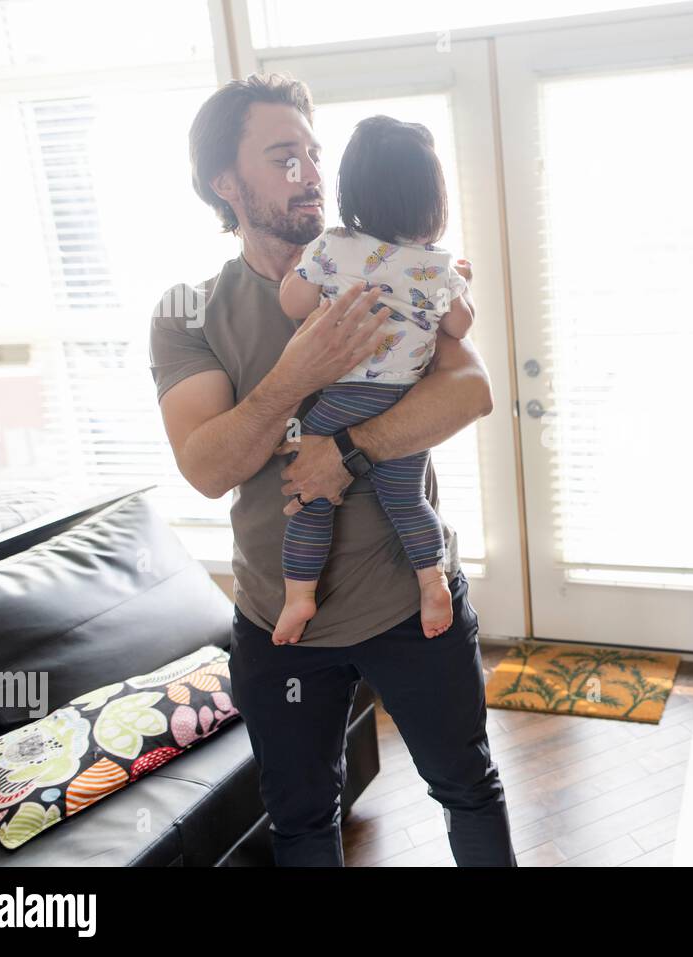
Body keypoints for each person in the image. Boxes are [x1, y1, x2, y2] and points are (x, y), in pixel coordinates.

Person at [149, 74, 515, 866]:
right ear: (225, 183)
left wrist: (346, 451)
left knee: (468, 788)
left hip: (414, 605)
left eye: (313, 154)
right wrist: (294, 372)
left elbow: (472, 390)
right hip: (283, 624)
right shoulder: (191, 310)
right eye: (284, 157)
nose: (310, 173)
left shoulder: (386, 262)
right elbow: (207, 466)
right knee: (304, 820)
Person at [275, 116, 473, 644]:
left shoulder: (330, 246)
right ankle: (431, 582)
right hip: (407, 402)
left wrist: (303, 273)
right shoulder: (435, 265)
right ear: (432, 200)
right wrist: (460, 288)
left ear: (352, 190)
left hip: (341, 397)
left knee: (310, 490)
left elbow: (293, 303)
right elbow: (460, 325)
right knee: (407, 500)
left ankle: (299, 597)